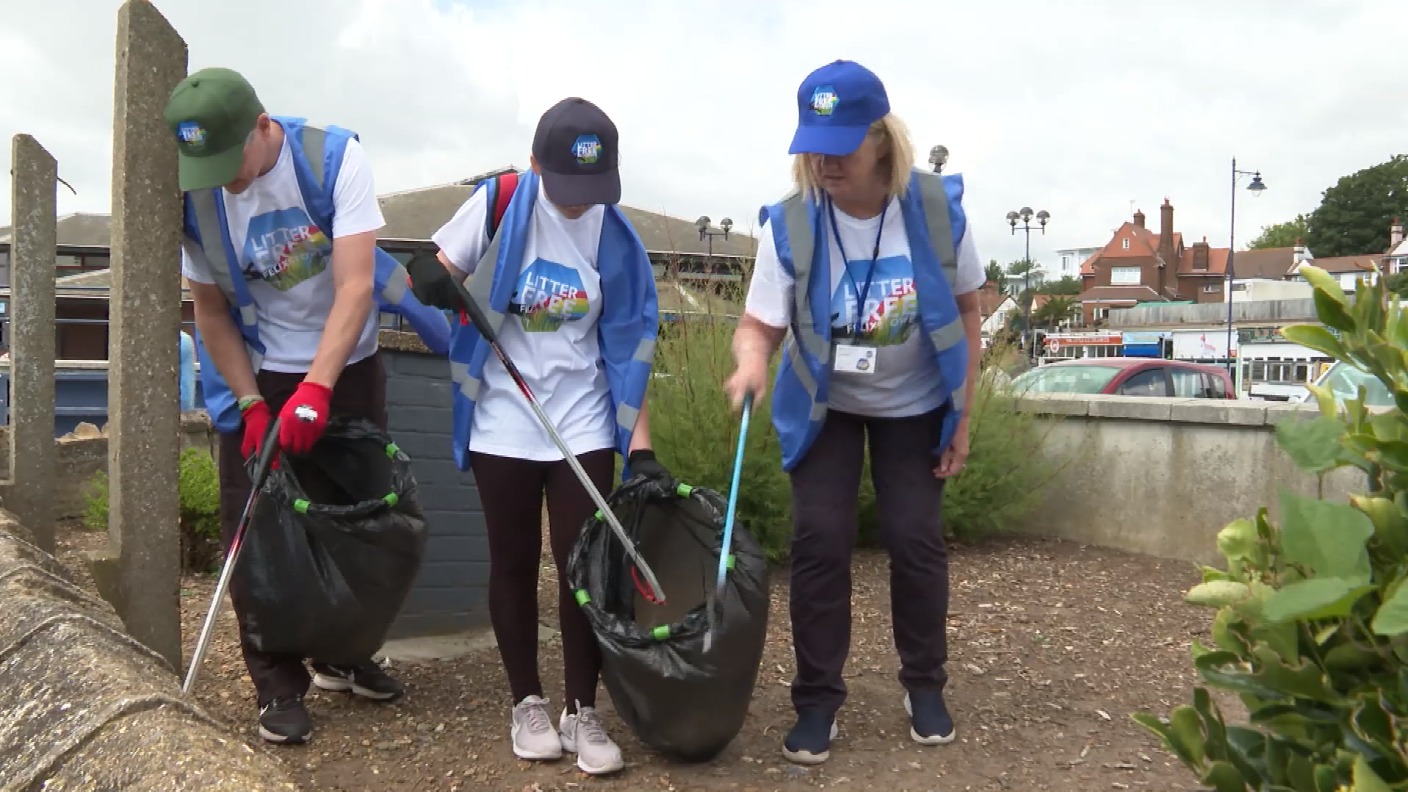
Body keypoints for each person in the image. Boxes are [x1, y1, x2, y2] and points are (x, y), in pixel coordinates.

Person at [166, 66, 451, 746]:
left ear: (264, 127)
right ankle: (276, 683)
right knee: (257, 522)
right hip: (261, 368)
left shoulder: (331, 159)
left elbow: (356, 287)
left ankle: (344, 653)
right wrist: (252, 401)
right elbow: (210, 312)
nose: (223, 181)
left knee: (354, 519)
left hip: (346, 364)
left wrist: (317, 389)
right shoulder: (197, 197)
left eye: (230, 161)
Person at [722, 60, 985, 765]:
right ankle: (816, 700)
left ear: (880, 141)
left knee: (915, 541)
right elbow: (759, 326)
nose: (823, 159)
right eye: (812, 141)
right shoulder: (791, 223)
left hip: (915, 403)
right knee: (819, 545)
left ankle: (924, 685)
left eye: (839, 144)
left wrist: (962, 418)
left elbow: (967, 314)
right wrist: (751, 362)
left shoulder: (932, 211)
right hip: (826, 405)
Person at [405, 97, 667, 777]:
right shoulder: (499, 203)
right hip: (504, 414)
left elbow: (630, 351)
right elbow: (432, 271)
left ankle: (584, 709)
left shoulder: (615, 236)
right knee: (514, 561)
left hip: (581, 416)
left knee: (585, 567)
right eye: (566, 188)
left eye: (593, 190)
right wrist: (435, 279)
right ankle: (528, 701)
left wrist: (640, 448)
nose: (578, 205)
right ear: (534, 165)